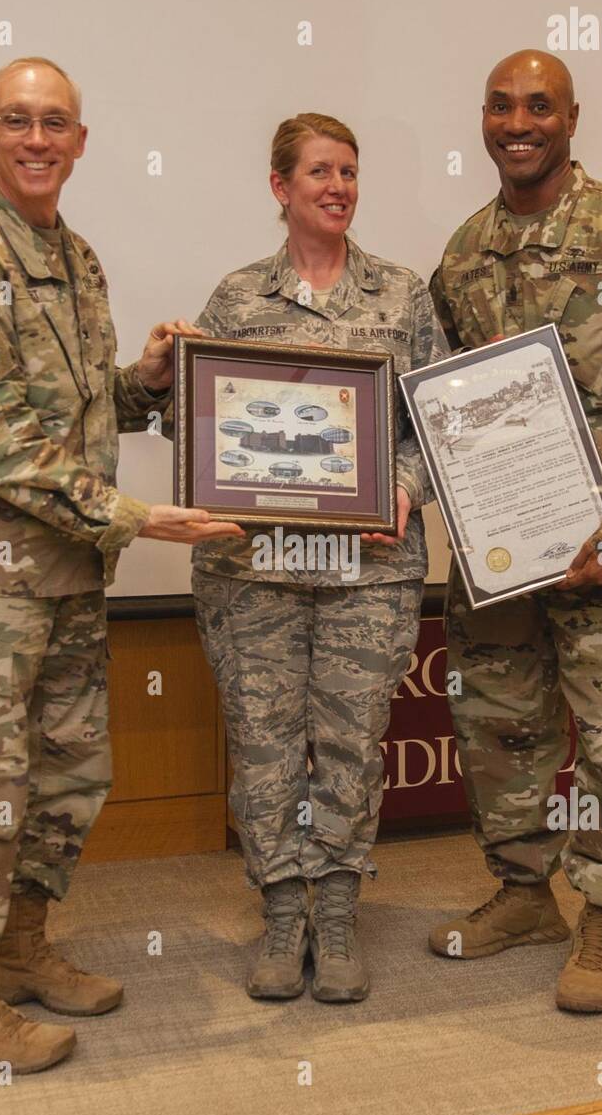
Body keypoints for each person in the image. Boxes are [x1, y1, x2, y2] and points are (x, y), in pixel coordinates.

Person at [0, 57, 241, 1073]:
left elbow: (73, 417)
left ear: (80, 141)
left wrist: (141, 380)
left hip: (69, 574)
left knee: (65, 777)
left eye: (55, 124)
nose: (37, 139)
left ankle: (20, 949)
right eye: (16, 121)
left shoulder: (75, 259)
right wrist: (135, 515)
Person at [427, 51, 602, 1013]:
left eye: (538, 106)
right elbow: (448, 415)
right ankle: (522, 891)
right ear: (483, 117)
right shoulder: (463, 257)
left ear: (572, 119)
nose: (519, 122)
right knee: (500, 726)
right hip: (502, 556)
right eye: (501, 105)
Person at [192, 113, 449, 1003]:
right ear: (280, 188)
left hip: (367, 572)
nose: (337, 187)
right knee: (265, 746)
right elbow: (206, 430)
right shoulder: (235, 299)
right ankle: (280, 912)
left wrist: (407, 487)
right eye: (317, 173)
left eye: (348, 172)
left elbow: (436, 422)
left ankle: (336, 914)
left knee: (349, 742)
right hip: (254, 573)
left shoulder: (402, 296)